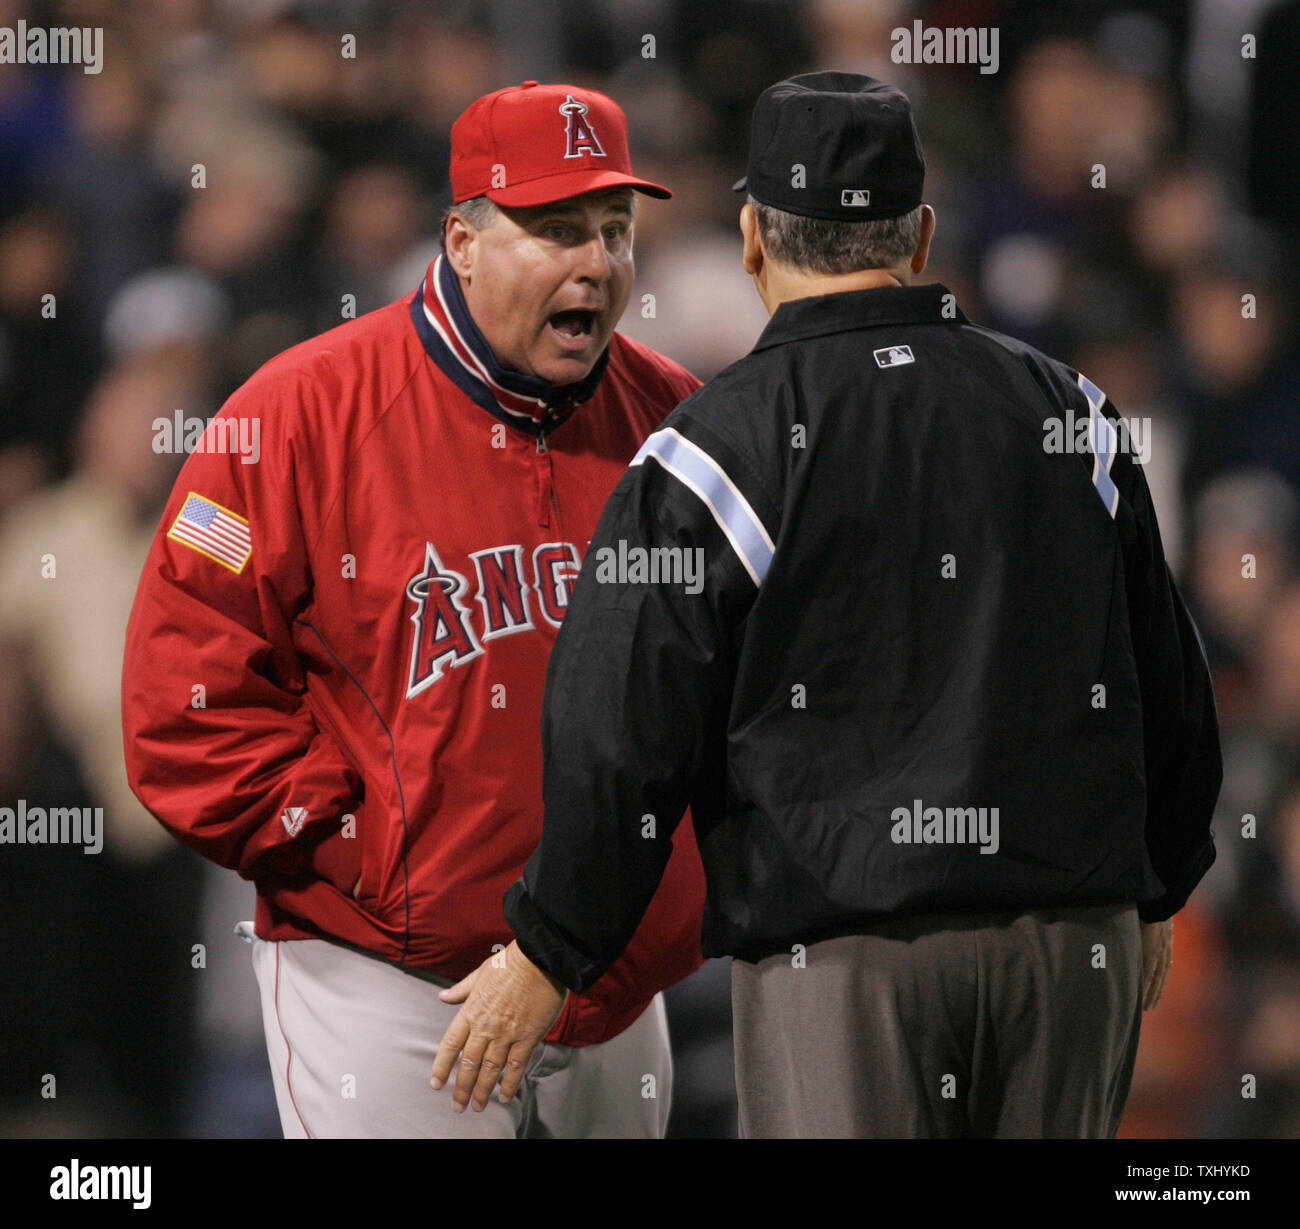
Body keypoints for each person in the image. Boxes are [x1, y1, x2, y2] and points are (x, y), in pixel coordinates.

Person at [430, 72, 1224, 1139]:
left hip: (843, 956)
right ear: (923, 232)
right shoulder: (1068, 410)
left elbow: (618, 734)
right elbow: (1168, 681)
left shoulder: (710, 452)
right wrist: (1162, 877)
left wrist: (550, 945)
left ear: (754, 234)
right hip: (1070, 941)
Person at [121, 80, 707, 1139]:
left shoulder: (672, 418)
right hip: (392, 976)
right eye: (557, 229)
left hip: (616, 973)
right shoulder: (297, 414)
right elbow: (186, 702)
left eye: (615, 231)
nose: (597, 263)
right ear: (464, 240)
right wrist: (364, 853)